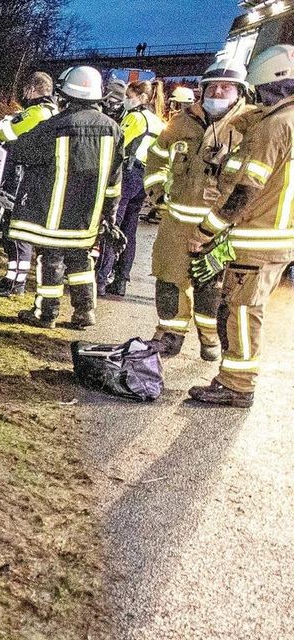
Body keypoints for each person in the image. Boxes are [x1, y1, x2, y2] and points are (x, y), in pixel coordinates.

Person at [187, 45, 294, 408]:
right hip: (277, 239)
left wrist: (206, 230)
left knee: (243, 311)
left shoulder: (274, 127)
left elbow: (245, 191)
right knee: (243, 308)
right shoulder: (288, 121)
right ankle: (234, 380)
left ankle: (237, 384)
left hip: (255, 241)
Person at [144, 60, 253, 361]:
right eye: (212, 86)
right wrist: (156, 194)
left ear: (239, 92)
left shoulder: (250, 127)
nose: (218, 91)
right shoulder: (180, 122)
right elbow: (156, 157)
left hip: (220, 227)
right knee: (168, 280)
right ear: (202, 89)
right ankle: (169, 336)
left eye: (226, 87)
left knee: (211, 287)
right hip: (176, 223)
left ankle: (210, 341)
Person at [10, 66, 125, 329]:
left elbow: (23, 151)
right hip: (88, 216)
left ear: (65, 95)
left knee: (51, 259)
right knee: (81, 261)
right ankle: (85, 313)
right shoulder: (114, 129)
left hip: (55, 213)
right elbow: (114, 180)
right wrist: (110, 215)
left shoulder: (55, 125)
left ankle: (46, 314)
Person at [0, 71, 59, 299]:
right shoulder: (53, 112)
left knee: (15, 230)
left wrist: (6, 121)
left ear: (32, 89)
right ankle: (12, 278)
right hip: (36, 178)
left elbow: (6, 132)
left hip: (23, 178)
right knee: (14, 231)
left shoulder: (36, 112)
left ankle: (15, 283)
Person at [99, 80, 167, 295]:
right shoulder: (160, 122)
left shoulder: (136, 117)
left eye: (129, 96)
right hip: (144, 178)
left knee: (112, 226)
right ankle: (120, 281)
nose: (126, 100)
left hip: (127, 175)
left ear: (143, 98)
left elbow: (116, 144)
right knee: (130, 229)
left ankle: (100, 279)